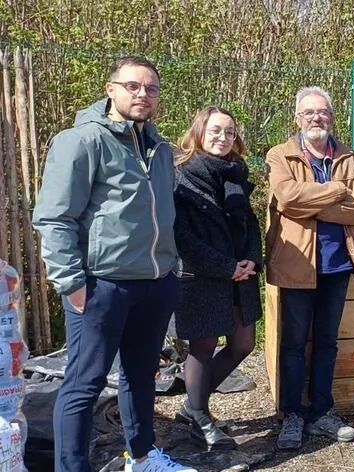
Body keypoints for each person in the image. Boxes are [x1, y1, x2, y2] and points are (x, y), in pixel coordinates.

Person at [33, 57, 195, 472]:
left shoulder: (160, 149)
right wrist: (72, 283)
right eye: (132, 86)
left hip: (155, 284)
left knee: (141, 376)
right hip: (102, 286)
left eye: (151, 88)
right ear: (110, 90)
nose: (143, 94)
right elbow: (54, 218)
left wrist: (169, 272)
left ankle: (142, 458)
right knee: (84, 384)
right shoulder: (82, 141)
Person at [266, 86, 354, 450]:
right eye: (309, 112)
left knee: (327, 342)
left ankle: (322, 412)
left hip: (338, 264)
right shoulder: (280, 154)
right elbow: (286, 197)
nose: (317, 117)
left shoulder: (349, 158)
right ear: (298, 118)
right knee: (294, 343)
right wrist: (337, 190)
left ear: (331, 117)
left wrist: (312, 203)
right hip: (296, 262)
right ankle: (292, 415)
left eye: (323, 111)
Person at [172, 107, 261, 450]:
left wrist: (252, 258)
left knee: (243, 344)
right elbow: (181, 236)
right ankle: (199, 417)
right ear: (199, 132)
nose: (223, 138)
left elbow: (250, 222)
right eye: (215, 131)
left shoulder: (235, 171)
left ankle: (192, 406)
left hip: (240, 274)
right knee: (203, 347)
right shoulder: (181, 172)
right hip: (202, 276)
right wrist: (225, 267)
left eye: (229, 132)